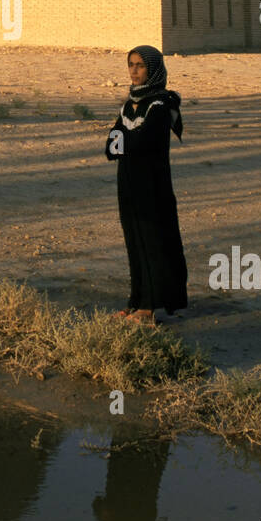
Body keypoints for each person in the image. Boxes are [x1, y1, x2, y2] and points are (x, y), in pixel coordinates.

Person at [105, 45, 188, 324]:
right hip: (128, 182)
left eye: (140, 65)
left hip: (152, 186)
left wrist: (124, 142)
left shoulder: (161, 106)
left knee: (153, 242)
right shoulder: (130, 105)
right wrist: (125, 141)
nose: (134, 70)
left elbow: (143, 142)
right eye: (131, 64)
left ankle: (149, 307)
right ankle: (137, 300)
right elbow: (111, 145)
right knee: (134, 241)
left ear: (152, 69)